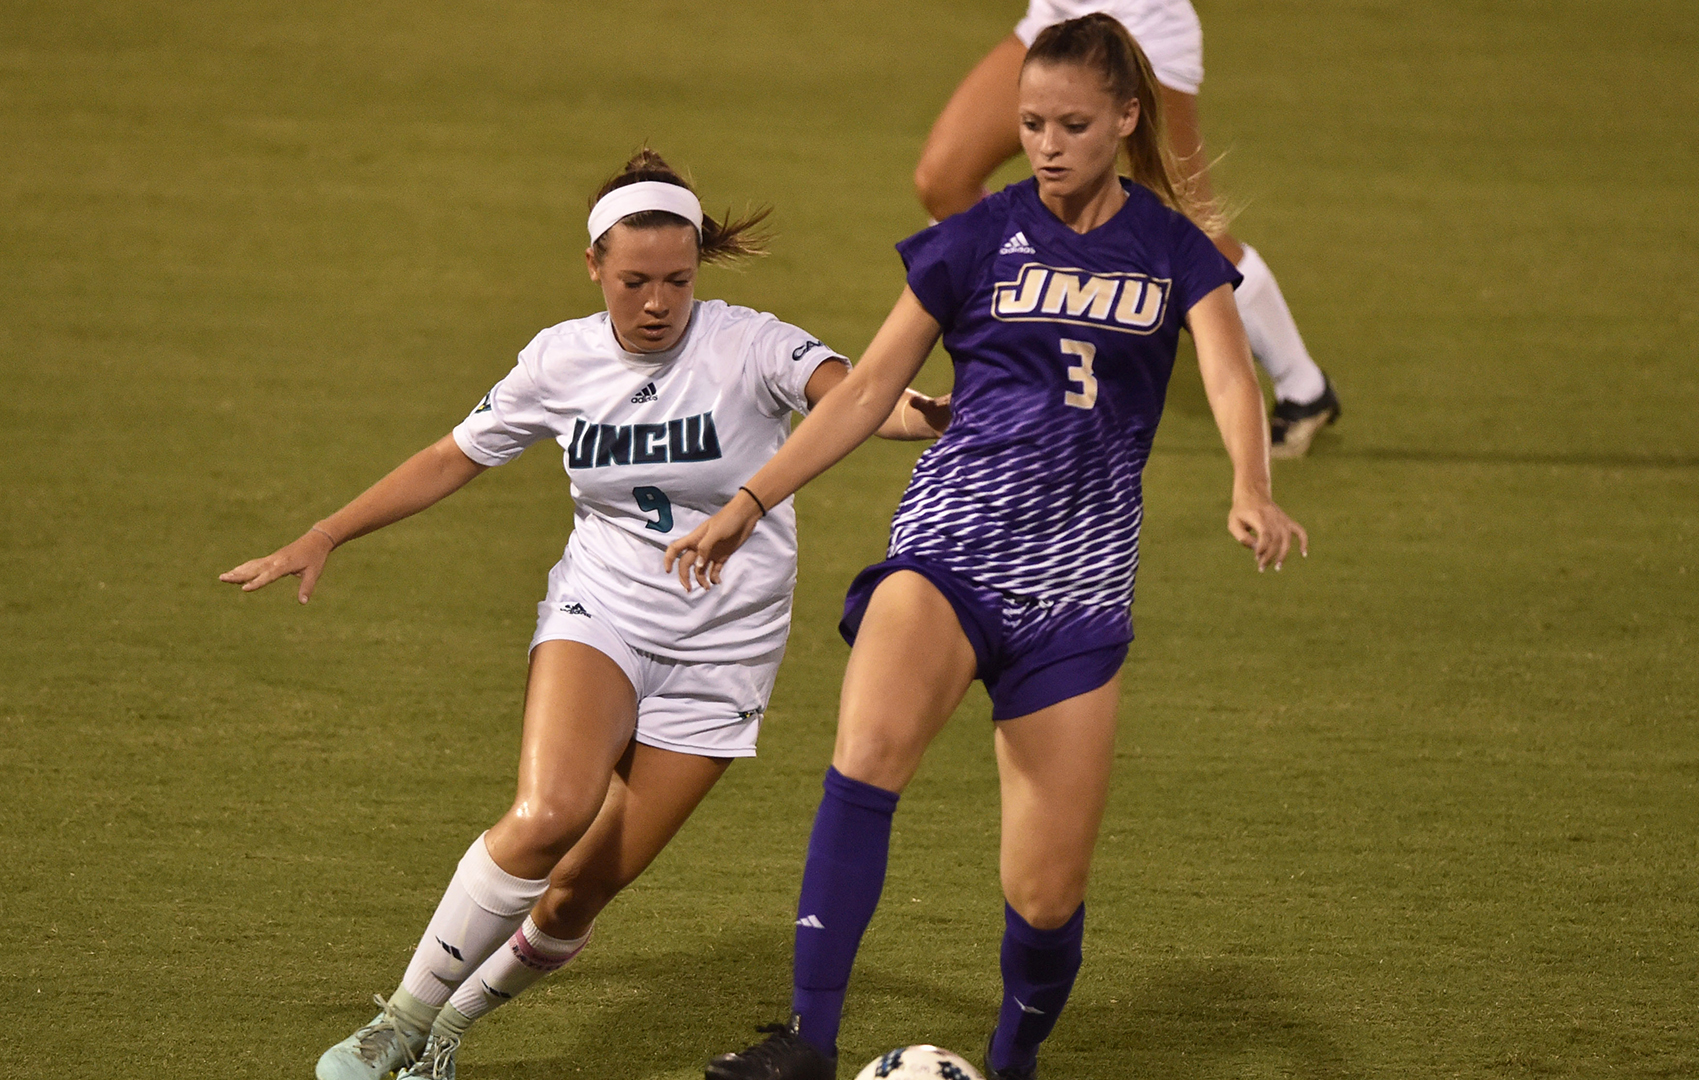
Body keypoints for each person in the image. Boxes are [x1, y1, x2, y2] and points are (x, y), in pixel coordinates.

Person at [672, 16, 1309, 1080]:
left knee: (1046, 896)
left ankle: (1012, 1064)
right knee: (865, 756)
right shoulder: (978, 237)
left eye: (1070, 124)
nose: (1046, 145)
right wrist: (753, 495)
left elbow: (1232, 374)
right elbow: (871, 386)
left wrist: (1251, 486)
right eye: (1029, 124)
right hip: (948, 549)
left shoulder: (1169, 246)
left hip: (1079, 593)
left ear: (1125, 120)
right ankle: (807, 1043)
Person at [218, 149, 946, 1080]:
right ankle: (398, 1024)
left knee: (577, 895)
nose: (657, 302)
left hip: (726, 651)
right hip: (600, 611)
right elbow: (455, 455)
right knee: (549, 809)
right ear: (594, 265)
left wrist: (929, 414)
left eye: (677, 280)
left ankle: (450, 1029)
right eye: (634, 280)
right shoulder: (558, 359)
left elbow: (856, 398)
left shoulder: (748, 343)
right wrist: (327, 532)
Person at [913, 0, 1341, 459]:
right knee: (944, 180)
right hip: (1057, 25)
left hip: (1139, 29)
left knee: (1191, 228)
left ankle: (1304, 387)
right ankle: (1023, 343)